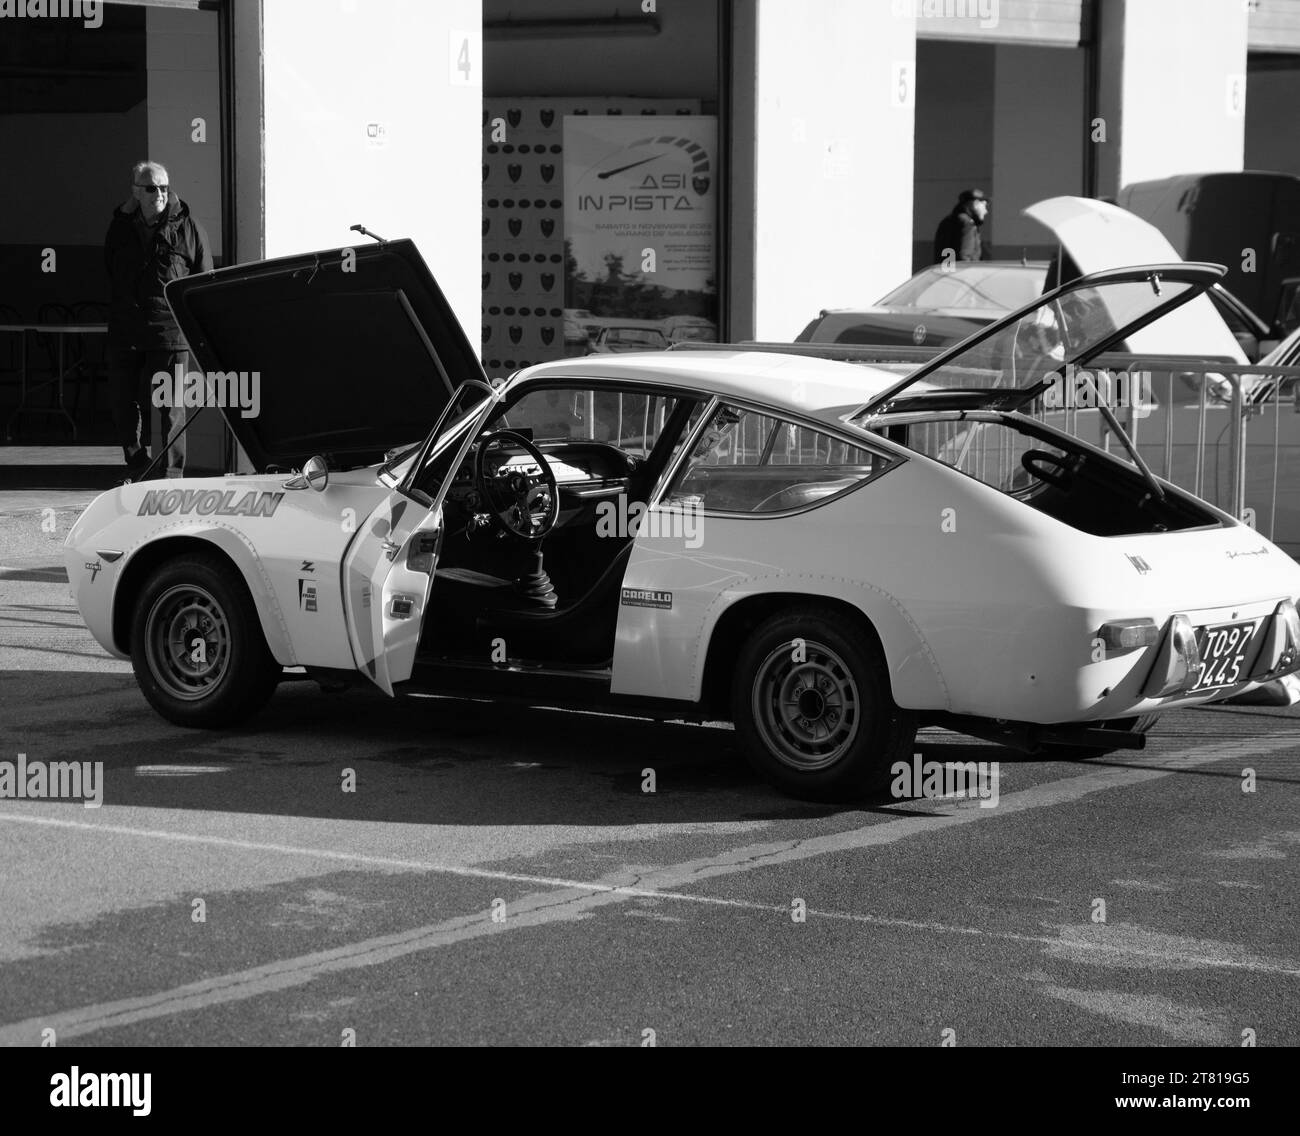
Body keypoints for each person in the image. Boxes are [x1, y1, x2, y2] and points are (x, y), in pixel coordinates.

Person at [105, 160, 212, 479]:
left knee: (171, 409)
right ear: (136, 192)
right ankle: (136, 460)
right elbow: (111, 270)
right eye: (151, 188)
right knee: (123, 402)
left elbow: (202, 279)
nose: (160, 194)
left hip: (169, 332)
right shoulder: (121, 227)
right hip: (127, 330)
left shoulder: (189, 227)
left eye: (164, 187)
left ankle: (171, 476)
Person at [933, 188, 990, 266]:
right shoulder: (967, 224)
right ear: (975, 204)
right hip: (961, 275)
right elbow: (964, 257)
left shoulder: (947, 220)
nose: (986, 211)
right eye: (984, 205)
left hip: (945, 272)